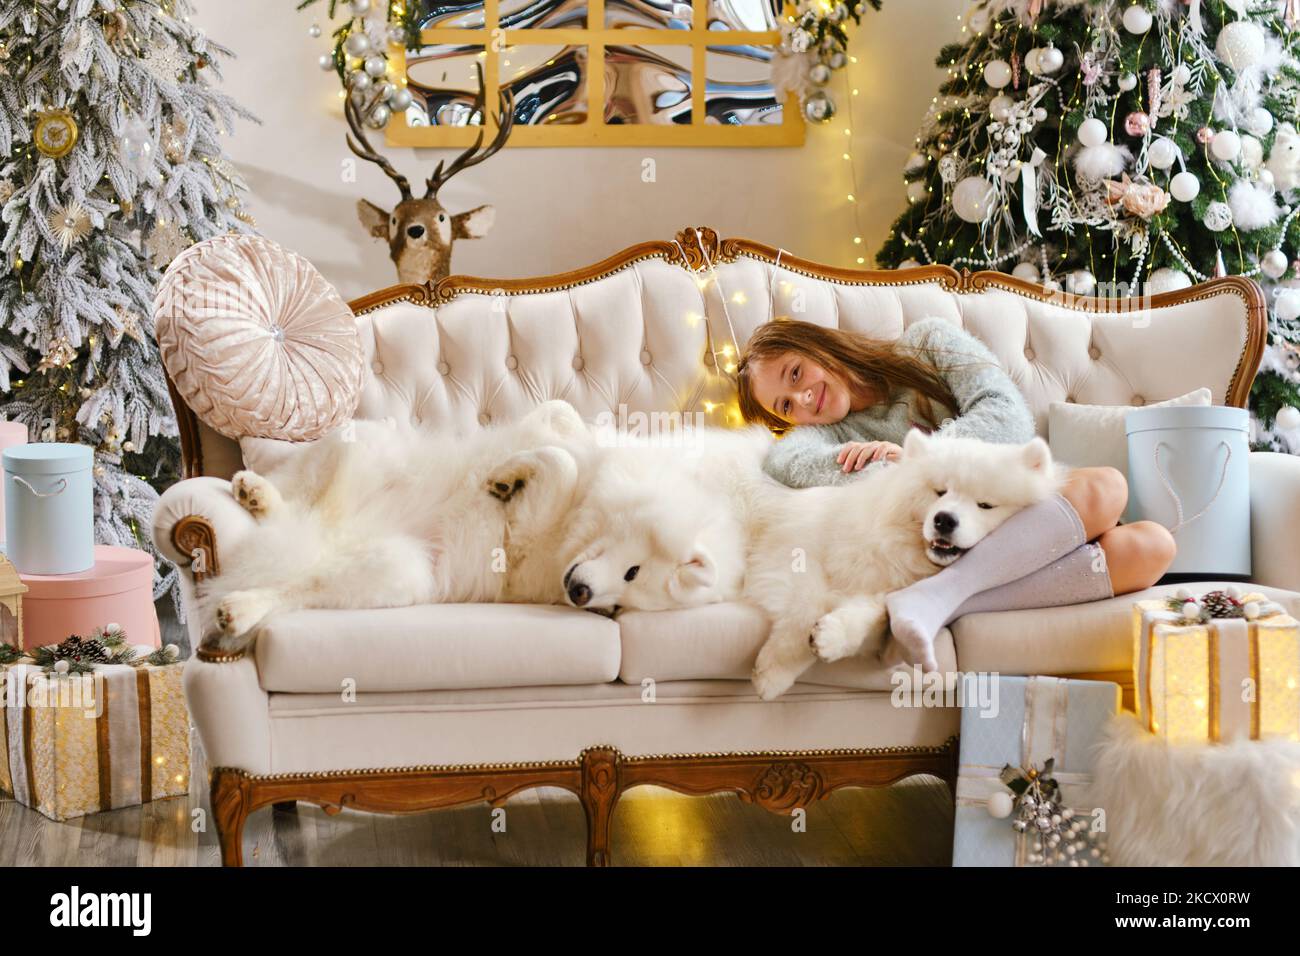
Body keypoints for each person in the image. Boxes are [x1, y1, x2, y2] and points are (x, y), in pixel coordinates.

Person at [735, 317, 1176, 671]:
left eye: (795, 373)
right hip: (940, 549)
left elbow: (1010, 418)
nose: (803, 396)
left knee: (1147, 538)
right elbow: (783, 462)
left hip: (1016, 527)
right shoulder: (831, 438)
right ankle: (942, 592)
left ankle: (941, 599)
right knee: (1122, 509)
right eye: (786, 406)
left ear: (818, 345)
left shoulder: (927, 344)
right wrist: (896, 469)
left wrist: (923, 459)